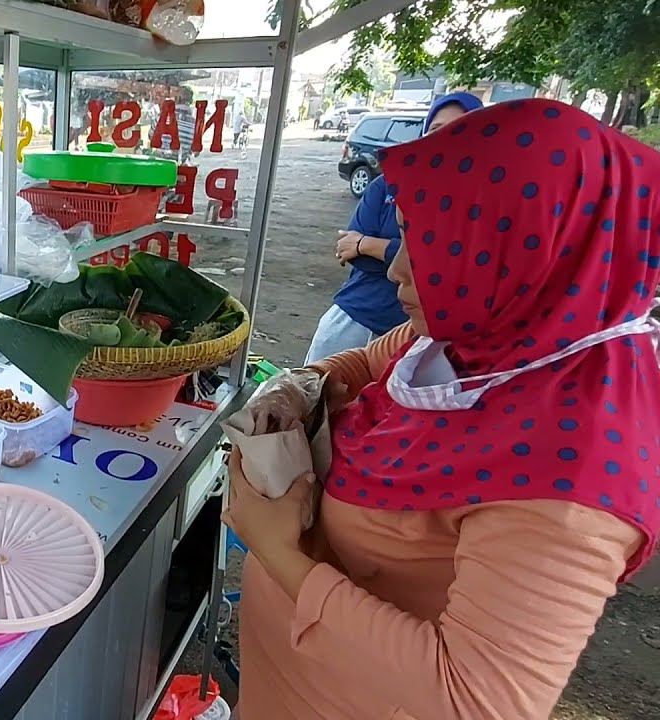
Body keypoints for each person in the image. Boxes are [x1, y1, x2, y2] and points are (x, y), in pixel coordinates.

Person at [227, 99, 660, 719]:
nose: (400, 266)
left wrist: (277, 551)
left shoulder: (576, 469)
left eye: (447, 243)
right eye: (409, 232)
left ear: (535, 249)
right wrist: (292, 388)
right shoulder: (490, 334)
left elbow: (473, 702)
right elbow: (356, 366)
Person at [303, 92, 484, 364]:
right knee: (313, 394)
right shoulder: (388, 186)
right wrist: (406, 254)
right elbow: (350, 253)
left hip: (422, 335)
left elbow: (459, 268)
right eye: (436, 129)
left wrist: (368, 244)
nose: (397, 272)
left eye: (460, 129)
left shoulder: (483, 204)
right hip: (355, 314)